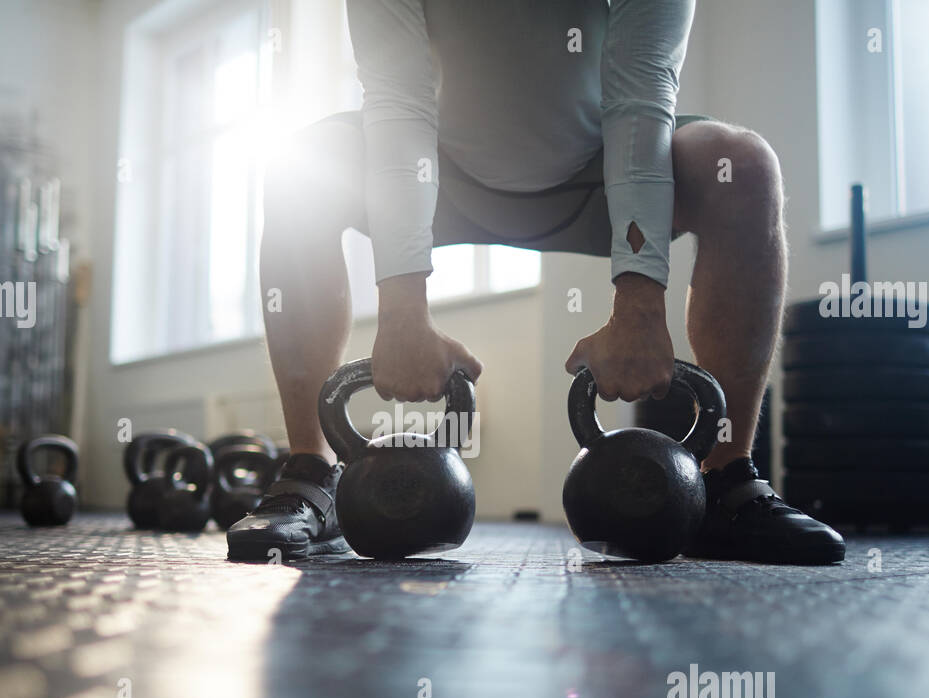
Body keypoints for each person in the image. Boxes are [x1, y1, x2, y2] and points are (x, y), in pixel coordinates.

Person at [227, 0, 845, 564]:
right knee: (298, 167)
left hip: (599, 171)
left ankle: (725, 478)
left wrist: (639, 300)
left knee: (742, 166)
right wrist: (402, 309)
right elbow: (399, 104)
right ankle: (312, 470)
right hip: (439, 175)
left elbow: (640, 94)